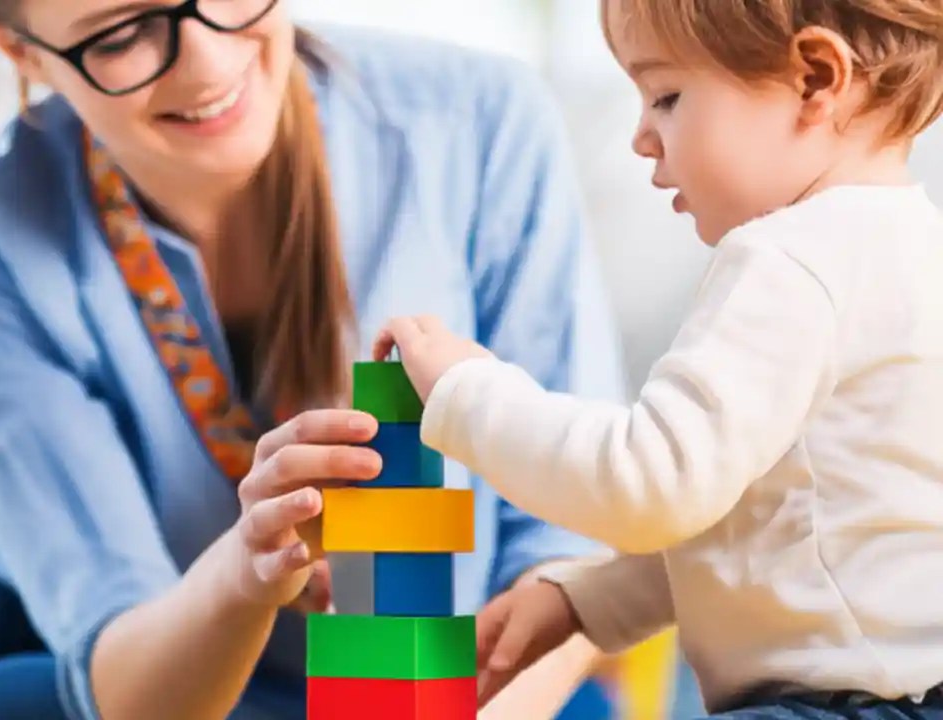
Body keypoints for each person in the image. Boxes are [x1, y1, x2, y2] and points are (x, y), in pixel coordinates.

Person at [0, 1, 628, 719]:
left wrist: (472, 701)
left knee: (1, 706)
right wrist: (245, 573)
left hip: (459, 673)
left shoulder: (477, 120)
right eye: (123, 32)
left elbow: (576, 542)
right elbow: (124, 662)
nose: (207, 60)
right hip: (154, 620)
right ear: (20, 48)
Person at [377, 1, 943, 719]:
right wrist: (587, 600)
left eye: (668, 97)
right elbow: (772, 532)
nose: (642, 137)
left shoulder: (790, 261)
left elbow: (646, 485)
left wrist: (463, 389)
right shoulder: (910, 245)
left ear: (814, 79)